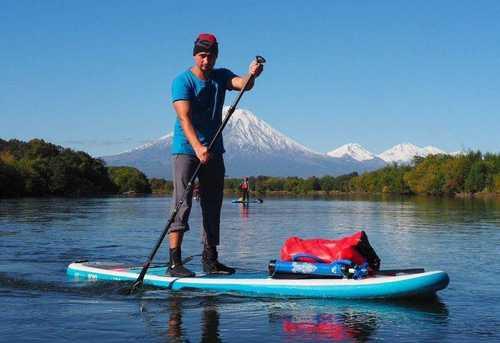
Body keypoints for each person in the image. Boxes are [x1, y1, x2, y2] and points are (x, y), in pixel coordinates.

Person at [168, 33, 264, 277]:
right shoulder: (183, 81)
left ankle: (210, 260)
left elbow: (244, 85)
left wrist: (252, 73)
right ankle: (174, 262)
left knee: (213, 204)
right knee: (183, 203)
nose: (206, 61)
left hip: (214, 151)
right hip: (186, 151)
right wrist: (198, 148)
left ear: (216, 56)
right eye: (202, 56)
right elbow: (184, 118)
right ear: (194, 55)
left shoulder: (221, 76)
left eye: (210, 56)